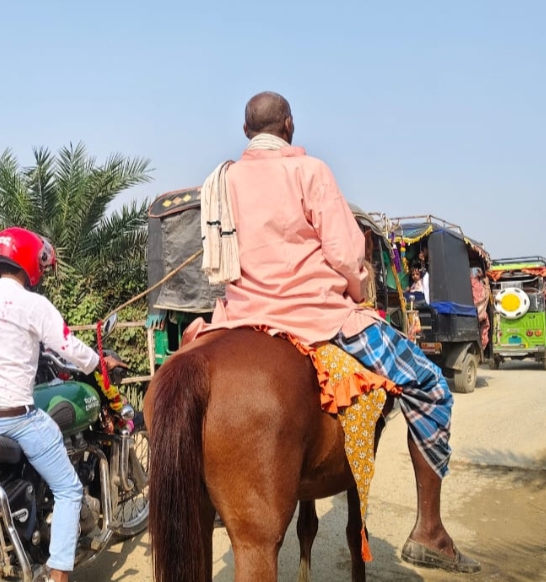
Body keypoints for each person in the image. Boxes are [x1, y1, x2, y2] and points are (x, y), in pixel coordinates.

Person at [198, 92, 479, 573]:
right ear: (289, 126)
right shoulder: (311, 172)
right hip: (314, 315)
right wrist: (360, 285)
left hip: (239, 315)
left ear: (247, 133)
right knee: (431, 387)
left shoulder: (220, 180)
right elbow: (347, 254)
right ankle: (429, 531)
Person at [0, 227, 121, 582]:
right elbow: (67, 346)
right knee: (68, 488)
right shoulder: (33, 304)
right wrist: (98, 363)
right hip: (13, 418)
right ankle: (59, 574)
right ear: (30, 262)